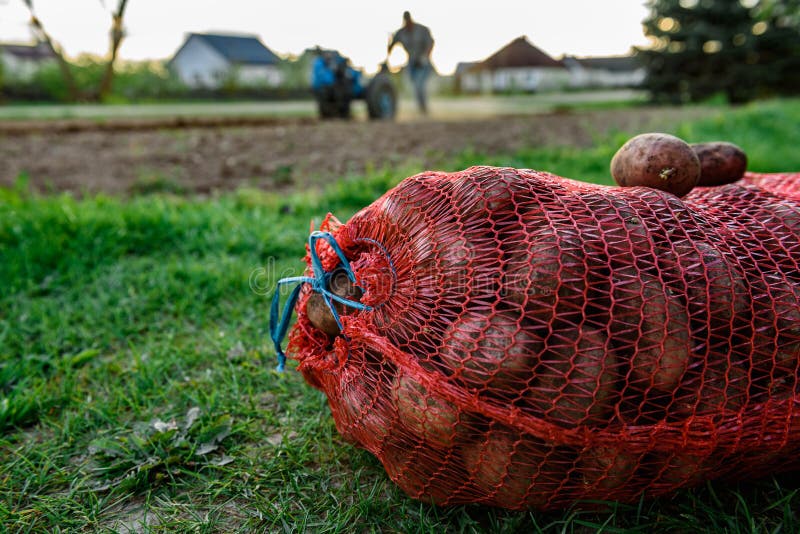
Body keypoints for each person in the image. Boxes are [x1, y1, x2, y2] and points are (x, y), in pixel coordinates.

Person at [388, 11, 434, 114]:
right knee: (415, 86)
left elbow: (430, 43)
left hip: (423, 62)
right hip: (412, 63)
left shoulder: (422, 30)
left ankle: (424, 109)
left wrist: (424, 57)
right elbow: (392, 45)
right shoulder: (401, 33)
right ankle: (421, 108)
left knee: (420, 85)